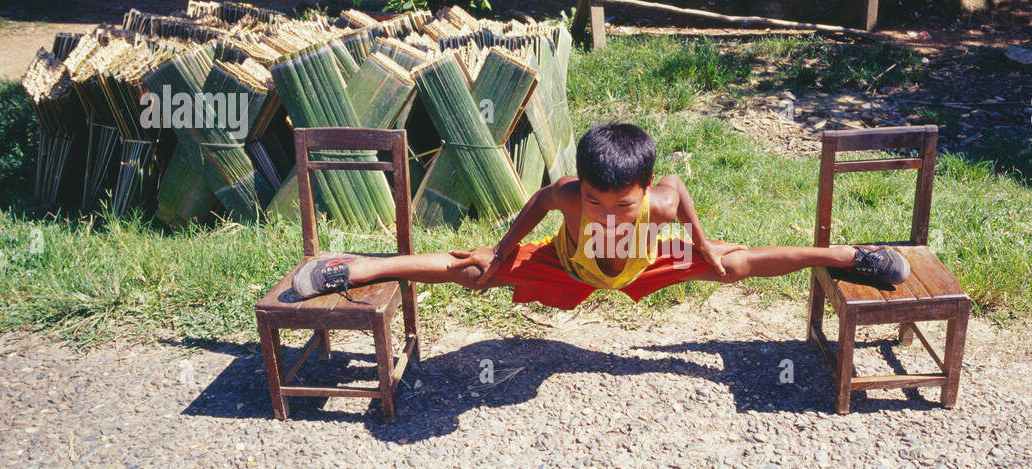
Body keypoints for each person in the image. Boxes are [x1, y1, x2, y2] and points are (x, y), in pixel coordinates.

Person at [291, 122, 909, 310]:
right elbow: (536, 202)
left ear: (643, 193)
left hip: (646, 265)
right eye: (594, 199)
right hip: (572, 266)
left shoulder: (660, 203)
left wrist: (700, 241)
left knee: (734, 265)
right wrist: (507, 249)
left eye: (623, 202)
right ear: (579, 186)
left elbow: (680, 188)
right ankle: (359, 268)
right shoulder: (564, 196)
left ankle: (854, 257)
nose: (607, 209)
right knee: (475, 269)